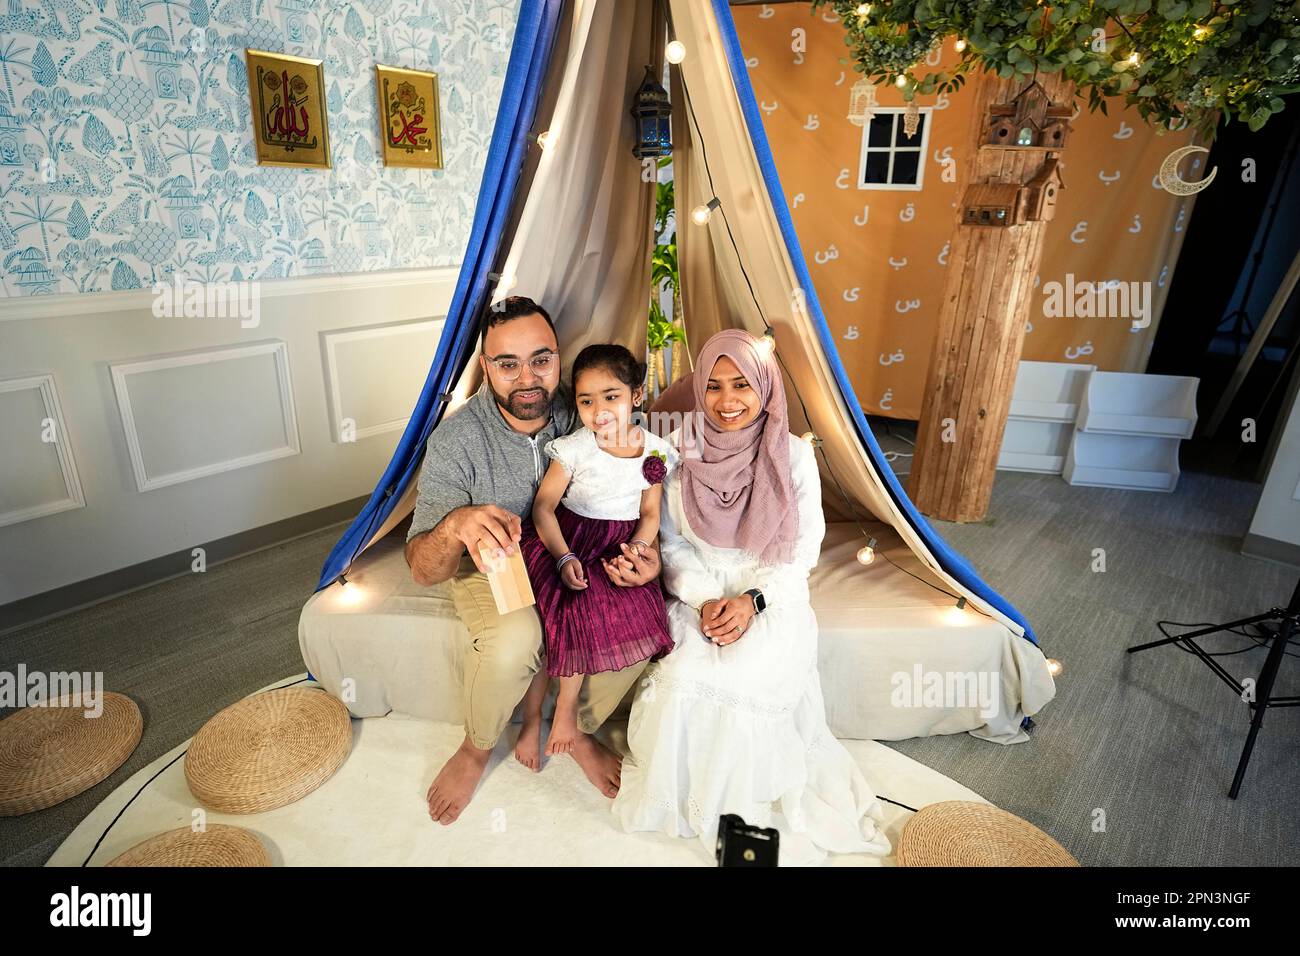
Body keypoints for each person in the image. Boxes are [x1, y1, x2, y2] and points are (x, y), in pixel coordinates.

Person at [611, 329, 892, 864]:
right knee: (686, 678)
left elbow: (801, 555)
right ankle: (688, 804)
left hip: (771, 595)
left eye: (742, 384)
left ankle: (738, 816)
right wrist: (702, 600)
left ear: (765, 386)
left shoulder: (793, 457)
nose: (727, 400)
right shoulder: (680, 450)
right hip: (700, 594)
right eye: (712, 386)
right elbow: (671, 547)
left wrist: (750, 602)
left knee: (744, 678)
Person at [405, 297, 660, 825]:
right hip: (495, 563)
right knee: (519, 639)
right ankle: (477, 747)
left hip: (579, 549)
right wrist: (455, 525)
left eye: (540, 360)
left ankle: (577, 726)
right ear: (485, 366)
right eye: (507, 364)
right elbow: (422, 569)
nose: (527, 377)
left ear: (559, 358)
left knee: (644, 619)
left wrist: (651, 557)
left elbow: (640, 481)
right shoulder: (457, 440)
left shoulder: (584, 405)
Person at [515, 345, 677, 768]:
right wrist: (565, 556)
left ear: (635, 396)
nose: (599, 410)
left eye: (611, 396)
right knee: (570, 604)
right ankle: (549, 714)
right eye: (586, 400)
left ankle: (572, 715)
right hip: (567, 537)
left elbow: (649, 514)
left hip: (619, 542)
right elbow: (543, 507)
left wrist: (638, 552)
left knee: (639, 611)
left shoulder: (654, 451)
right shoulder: (575, 449)